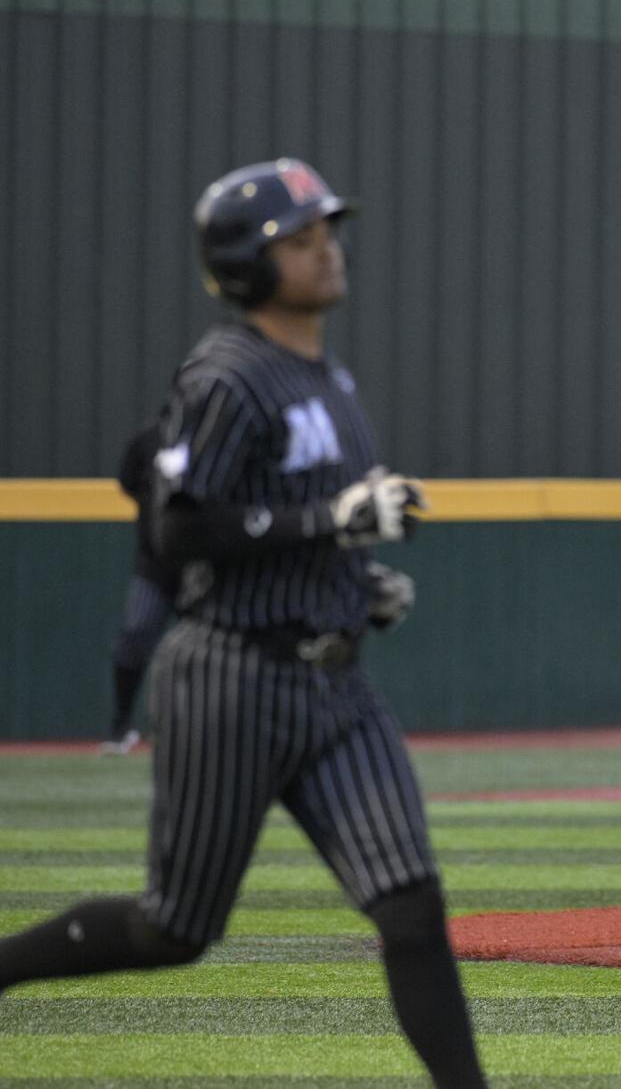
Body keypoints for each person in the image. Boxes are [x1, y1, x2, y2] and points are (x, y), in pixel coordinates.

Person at [0, 158, 487, 1087]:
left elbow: (299, 520)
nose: (326, 250)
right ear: (244, 265)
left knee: (412, 907)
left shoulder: (325, 375)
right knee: (172, 929)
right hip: (233, 678)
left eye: (324, 231)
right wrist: (326, 526)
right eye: (299, 240)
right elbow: (178, 522)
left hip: (335, 683)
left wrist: (354, 582)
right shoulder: (226, 373)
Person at [102, 420, 180, 755]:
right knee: (135, 637)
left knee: (222, 650)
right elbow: (128, 482)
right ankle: (121, 725)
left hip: (208, 569)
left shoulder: (222, 440)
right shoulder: (149, 441)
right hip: (155, 566)